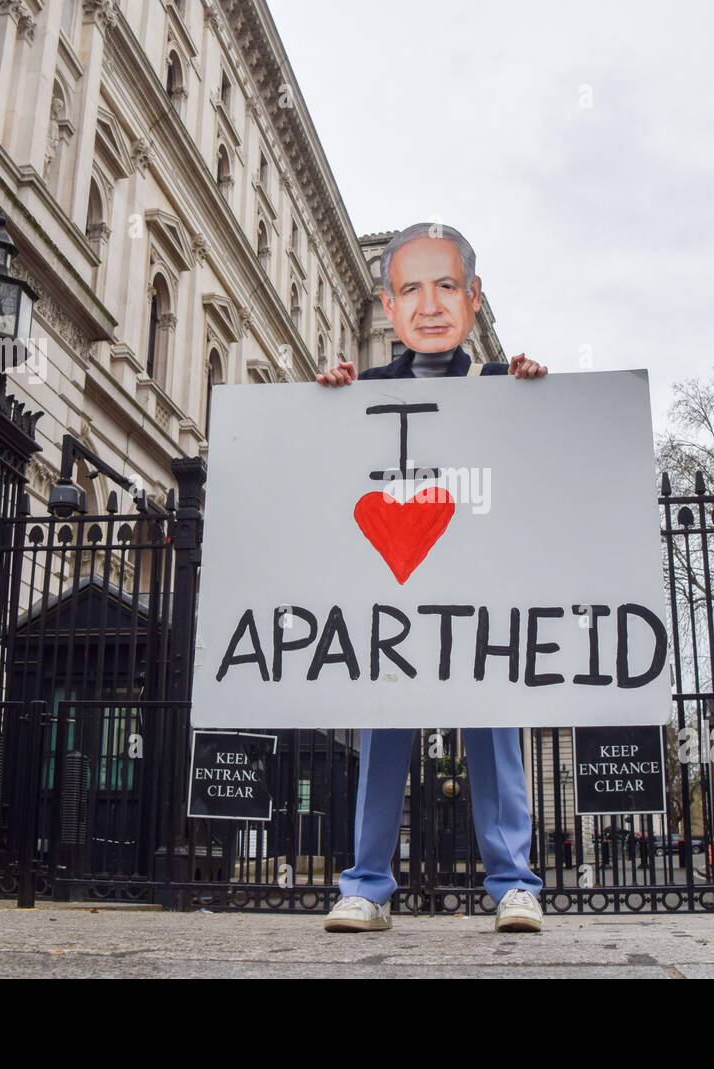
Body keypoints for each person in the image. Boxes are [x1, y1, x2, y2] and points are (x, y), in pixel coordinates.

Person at [315, 222, 547, 934]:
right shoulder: (362, 392)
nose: (431, 303)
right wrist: (326, 398)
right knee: (384, 733)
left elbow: (542, 481)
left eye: (447, 285)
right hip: (394, 598)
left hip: (480, 599)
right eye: (411, 288)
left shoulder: (504, 386)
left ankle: (512, 882)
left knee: (494, 735)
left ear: (473, 301)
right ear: (389, 306)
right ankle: (366, 885)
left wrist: (537, 397)